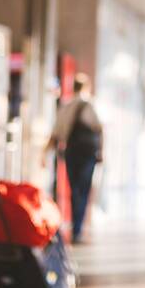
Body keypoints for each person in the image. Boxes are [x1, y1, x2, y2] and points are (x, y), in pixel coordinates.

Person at [46, 73, 103, 244]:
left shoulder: (66, 105)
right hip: (88, 153)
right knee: (84, 190)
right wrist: (101, 151)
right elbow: (99, 129)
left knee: (74, 190)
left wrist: (44, 153)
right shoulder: (90, 105)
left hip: (71, 151)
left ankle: (75, 227)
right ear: (86, 87)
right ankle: (77, 229)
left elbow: (56, 133)